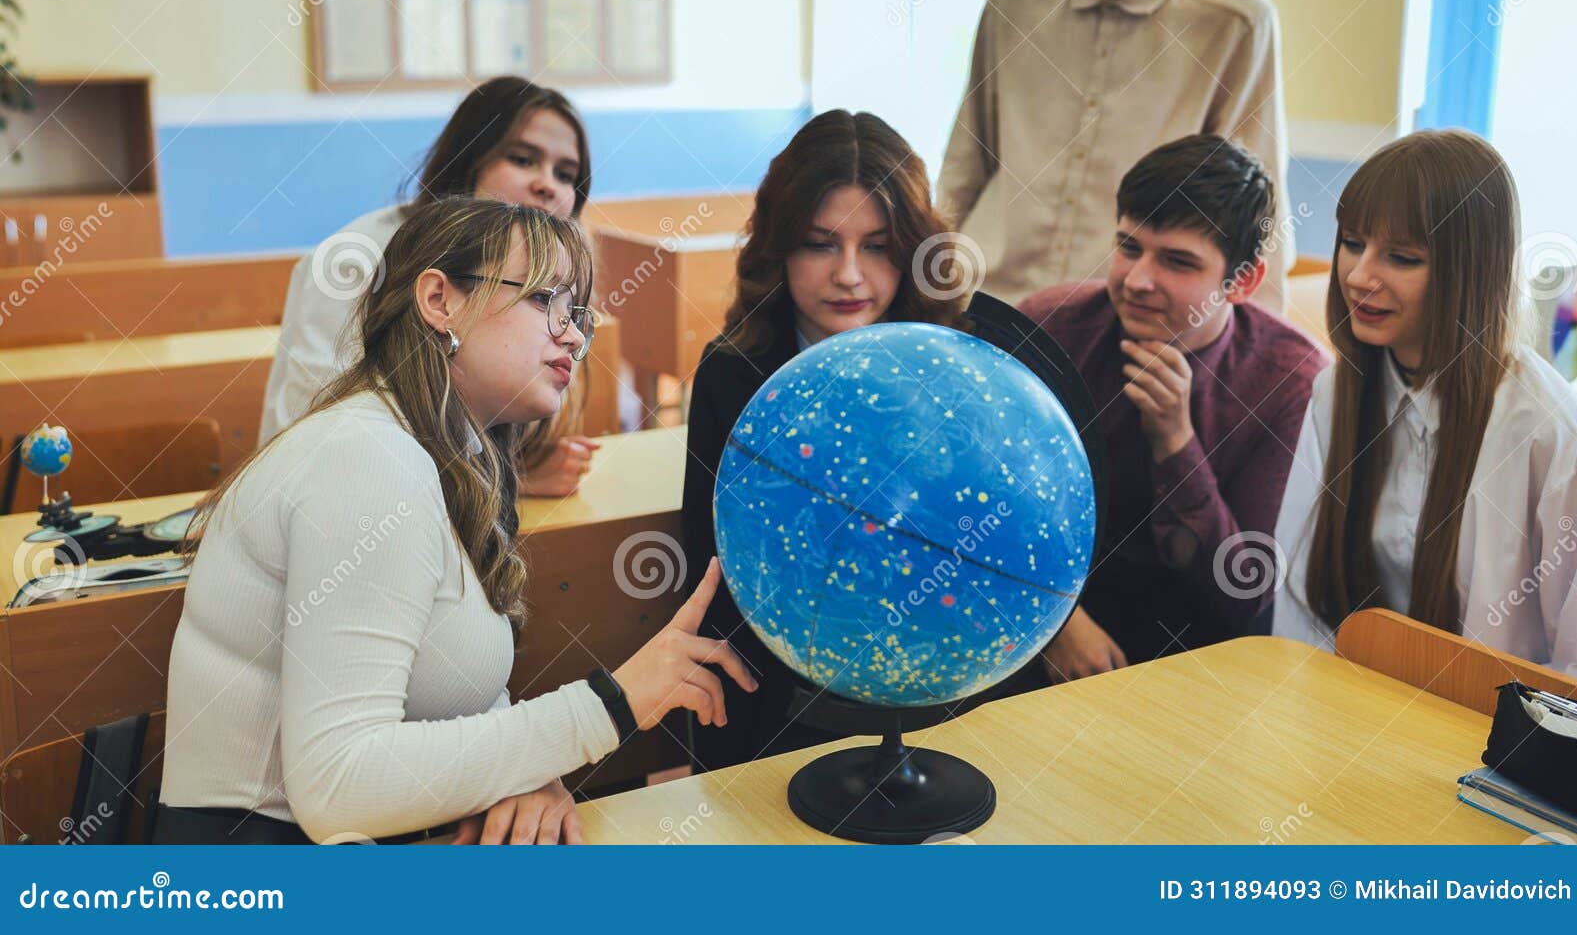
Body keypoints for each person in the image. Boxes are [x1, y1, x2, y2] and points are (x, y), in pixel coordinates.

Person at [159, 198, 756, 844]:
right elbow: (337, 788)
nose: (576, 336)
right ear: (439, 300)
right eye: (543, 300)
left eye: (577, 312)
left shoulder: (454, 457)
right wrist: (612, 705)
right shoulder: (367, 460)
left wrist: (529, 769)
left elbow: (448, 692)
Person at [682, 110, 974, 772]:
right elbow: (711, 563)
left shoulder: (959, 365)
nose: (848, 274)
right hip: (778, 698)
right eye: (820, 244)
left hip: (942, 693)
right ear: (778, 250)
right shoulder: (733, 373)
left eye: (876, 246)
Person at [1273, 129, 1577, 677]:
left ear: (1471, 271)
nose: (1358, 276)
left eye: (1401, 257)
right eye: (1352, 243)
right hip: (1344, 714)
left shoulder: (1548, 436)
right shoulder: (1337, 392)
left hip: (1487, 745)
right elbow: (1301, 606)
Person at [1018, 135, 1325, 678]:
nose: (1137, 281)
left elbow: (1243, 596)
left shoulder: (1291, 385)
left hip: (1202, 660)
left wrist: (1176, 442)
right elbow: (979, 507)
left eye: (1177, 262)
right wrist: (1054, 623)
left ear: (1243, 281)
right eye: (1129, 247)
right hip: (1039, 615)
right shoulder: (1051, 326)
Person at [260, 76, 601, 496]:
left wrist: (516, 469)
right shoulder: (356, 261)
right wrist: (515, 478)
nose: (548, 184)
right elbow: (321, 440)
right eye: (523, 159)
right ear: (469, 157)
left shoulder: (556, 282)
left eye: (566, 174)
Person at [939, 0, 1293, 308]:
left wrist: (1250, 350)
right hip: (985, 294)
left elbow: (1255, 204)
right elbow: (966, 160)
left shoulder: (1236, 20)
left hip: (1120, 314)